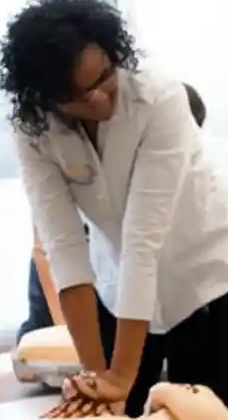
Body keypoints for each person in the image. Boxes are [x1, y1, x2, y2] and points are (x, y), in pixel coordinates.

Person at [0, 0, 228, 420]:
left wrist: (121, 376)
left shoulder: (158, 97)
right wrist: (97, 378)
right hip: (122, 270)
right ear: (49, 99)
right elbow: (65, 247)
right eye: (80, 96)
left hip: (204, 254)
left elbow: (144, 237)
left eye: (105, 78)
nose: (100, 98)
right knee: (123, 416)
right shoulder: (33, 131)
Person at [18, 80, 207, 341]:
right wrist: (64, 327)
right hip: (77, 287)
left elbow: (147, 248)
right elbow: (50, 250)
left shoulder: (190, 176)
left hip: (145, 283)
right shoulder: (70, 155)